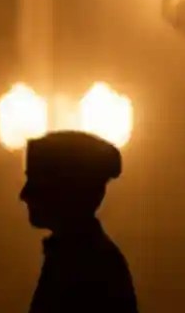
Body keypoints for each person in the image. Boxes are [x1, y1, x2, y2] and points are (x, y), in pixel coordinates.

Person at [20, 131, 138, 313]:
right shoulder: (83, 257)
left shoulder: (87, 265)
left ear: (65, 188)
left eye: (35, 180)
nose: (24, 194)